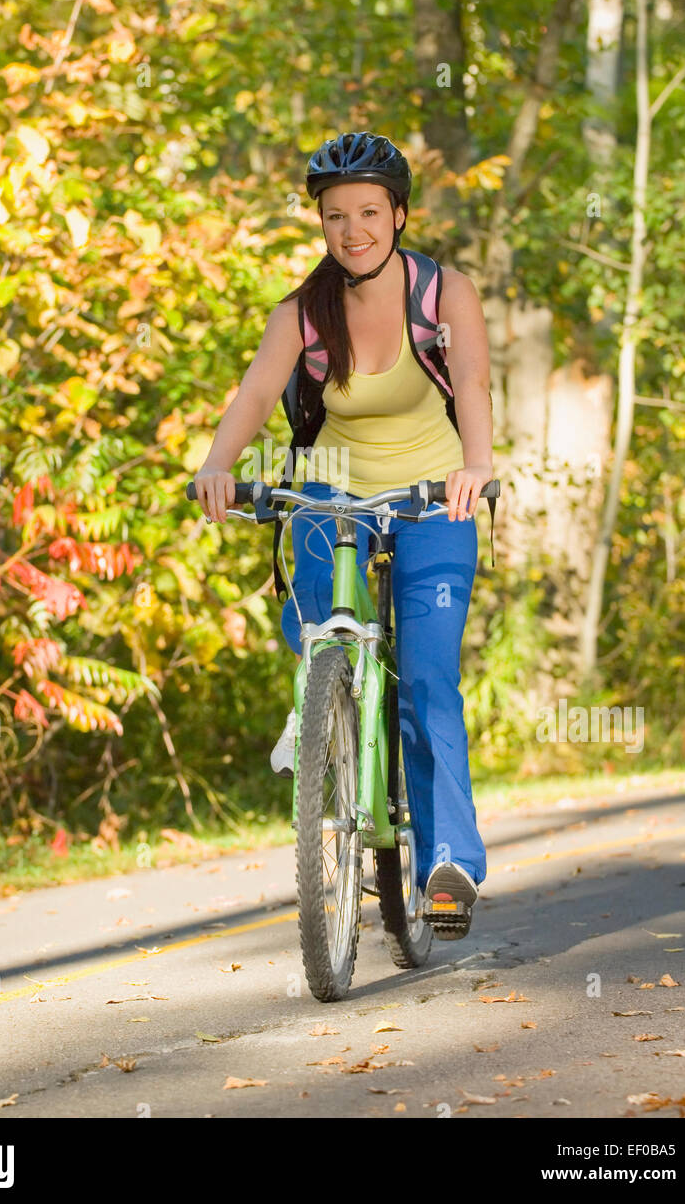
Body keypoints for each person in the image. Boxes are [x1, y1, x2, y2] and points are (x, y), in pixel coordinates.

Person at [193, 131, 494, 937]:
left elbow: (470, 382)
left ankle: (450, 863)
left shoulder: (443, 293)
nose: (352, 229)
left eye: (368, 211)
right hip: (332, 484)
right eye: (335, 216)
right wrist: (218, 465)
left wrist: (476, 466)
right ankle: (321, 702)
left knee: (428, 679)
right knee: (322, 617)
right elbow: (257, 393)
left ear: (397, 213)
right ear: (320, 225)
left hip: (433, 494)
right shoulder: (301, 312)